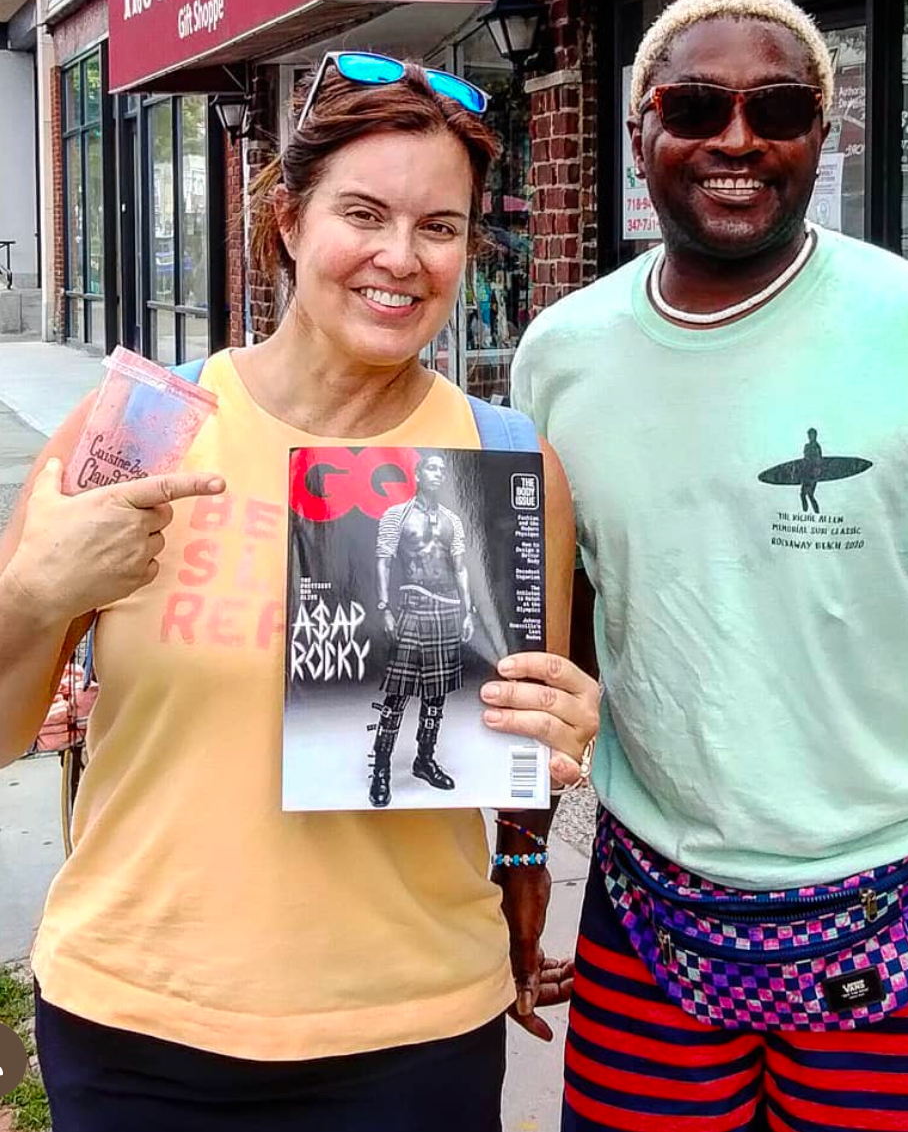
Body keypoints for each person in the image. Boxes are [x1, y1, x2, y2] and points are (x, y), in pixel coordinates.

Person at [511, 0, 908, 1130]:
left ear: (821, 137)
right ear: (642, 133)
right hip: (652, 904)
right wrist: (516, 848)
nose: (737, 138)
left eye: (778, 109)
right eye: (696, 105)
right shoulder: (560, 356)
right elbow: (552, 630)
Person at [0, 55, 599, 1131]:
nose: (400, 258)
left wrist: (549, 743)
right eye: (362, 213)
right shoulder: (137, 429)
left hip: (412, 1033)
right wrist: (32, 600)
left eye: (441, 227)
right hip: (138, 1024)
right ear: (286, 217)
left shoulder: (502, 460)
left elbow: (517, 749)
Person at [372, 452, 471, 806]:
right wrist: (384, 606)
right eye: (431, 467)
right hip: (413, 604)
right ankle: (381, 768)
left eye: (443, 470)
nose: (438, 474)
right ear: (416, 473)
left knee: (436, 695)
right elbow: (383, 560)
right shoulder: (396, 516)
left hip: (447, 608)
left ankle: (424, 760)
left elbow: (460, 567)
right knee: (397, 695)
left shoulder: (452, 520)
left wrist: (467, 610)